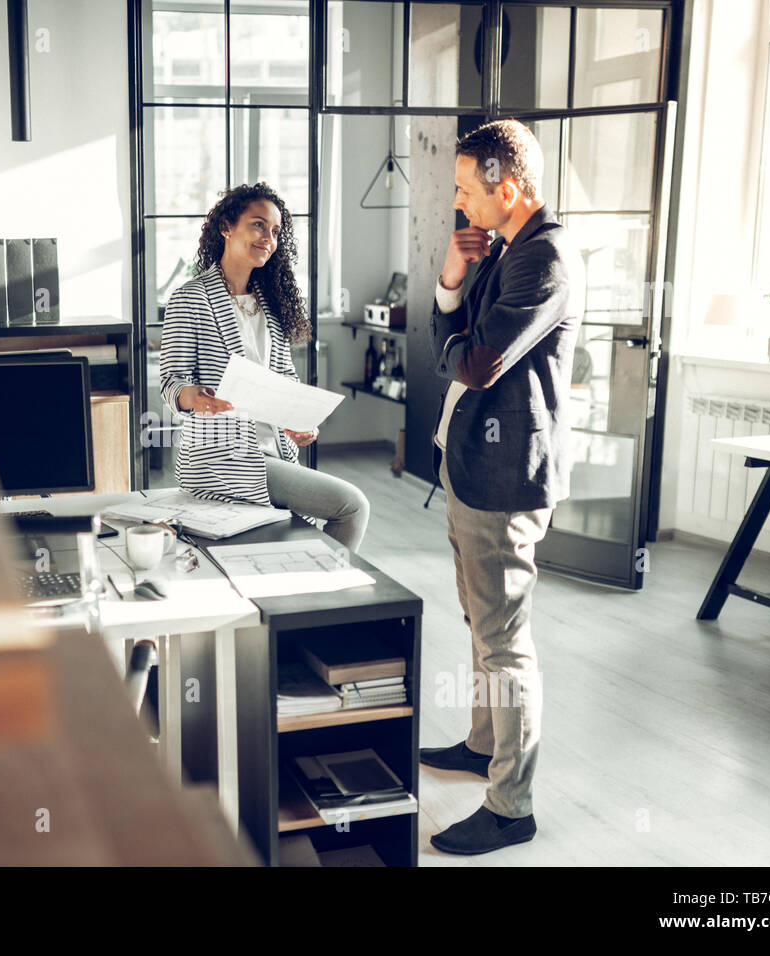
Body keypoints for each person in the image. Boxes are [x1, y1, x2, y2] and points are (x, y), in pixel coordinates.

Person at [421, 119, 584, 854]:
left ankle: (511, 806)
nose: (458, 201)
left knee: (504, 641)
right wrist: (451, 278)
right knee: (481, 625)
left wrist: (454, 335)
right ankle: (484, 744)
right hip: (470, 468)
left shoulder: (544, 257)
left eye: (465, 187)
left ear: (507, 188)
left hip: (505, 477)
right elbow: (457, 336)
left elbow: (476, 363)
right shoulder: (501, 249)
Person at [159, 182, 369, 553]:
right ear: (226, 227)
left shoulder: (270, 304)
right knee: (352, 506)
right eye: (258, 225)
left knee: (310, 532)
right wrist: (195, 397)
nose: (268, 238)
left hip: (273, 451)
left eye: (275, 231)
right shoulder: (190, 297)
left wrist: (299, 420)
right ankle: (329, 587)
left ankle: (309, 583)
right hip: (220, 457)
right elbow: (171, 382)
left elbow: (285, 378)